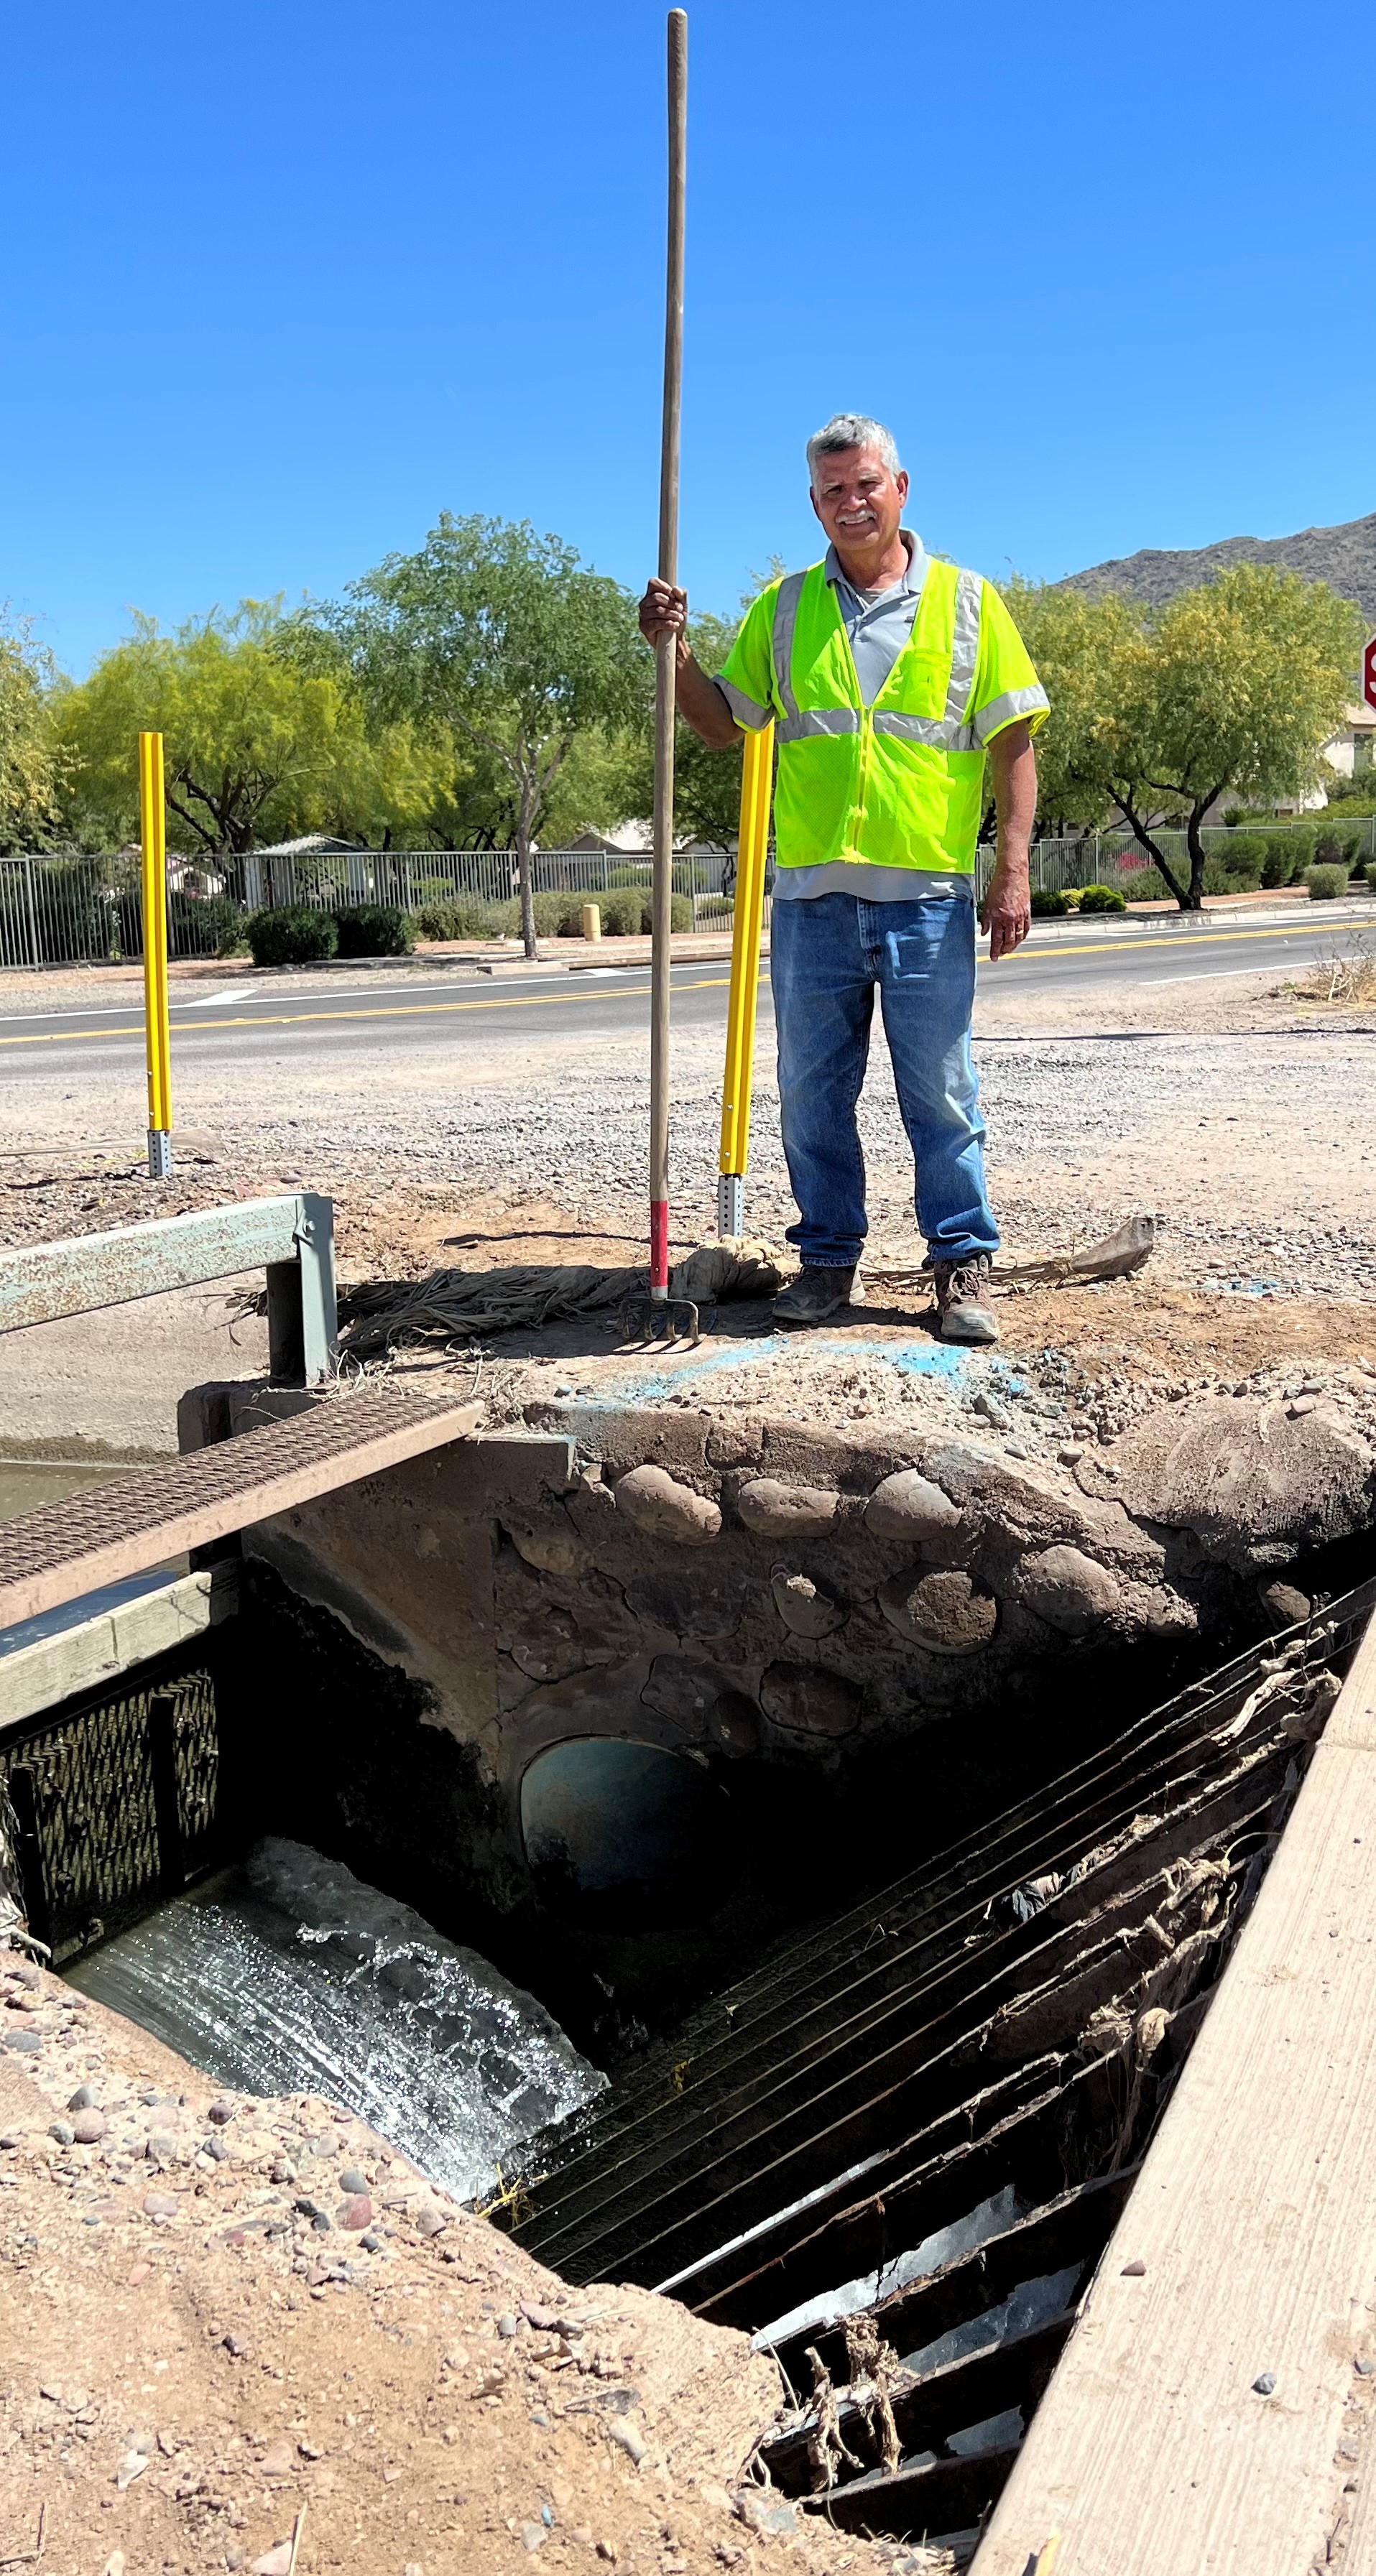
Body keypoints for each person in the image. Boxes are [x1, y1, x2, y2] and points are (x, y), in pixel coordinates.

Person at [638, 413, 1047, 1343]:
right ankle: (827, 1262)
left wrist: (1013, 870)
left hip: (929, 903)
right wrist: (675, 651)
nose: (851, 503)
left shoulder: (971, 604)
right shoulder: (784, 610)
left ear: (901, 488)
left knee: (939, 1091)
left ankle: (960, 1264)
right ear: (813, 505)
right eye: (833, 491)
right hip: (814, 902)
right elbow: (722, 724)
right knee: (812, 1092)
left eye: (866, 484)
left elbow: (1014, 744)